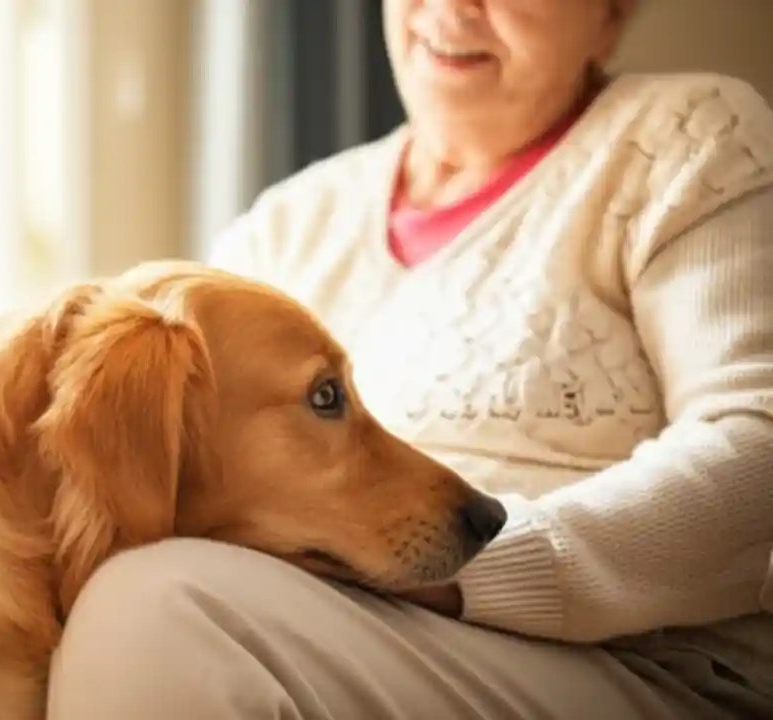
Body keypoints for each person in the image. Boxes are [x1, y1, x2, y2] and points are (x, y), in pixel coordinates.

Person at [46, 0, 773, 717]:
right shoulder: (284, 227)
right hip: (339, 630)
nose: (452, 7)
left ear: (610, 15)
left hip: (640, 666)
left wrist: (485, 566)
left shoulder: (688, 139)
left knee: (150, 611)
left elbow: (756, 444)